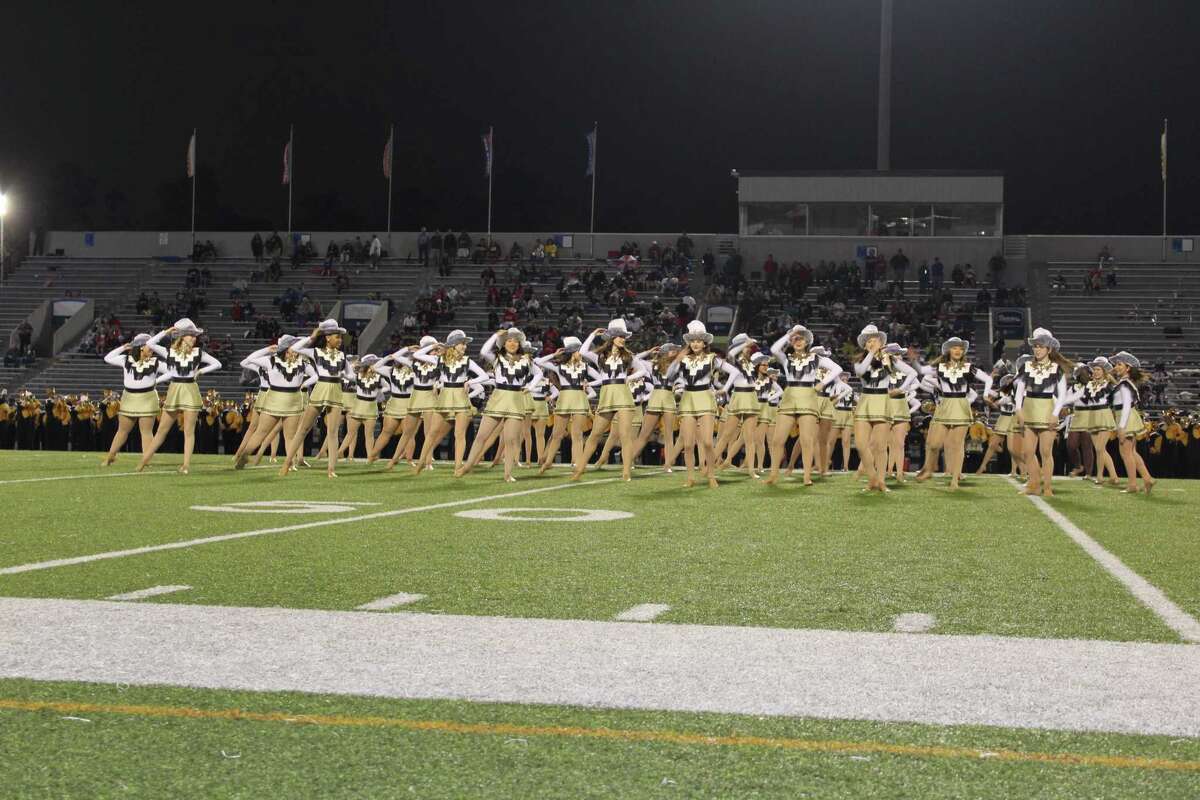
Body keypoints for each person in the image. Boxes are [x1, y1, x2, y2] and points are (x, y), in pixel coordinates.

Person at [457, 328, 544, 482]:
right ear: (503, 343)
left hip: (516, 399)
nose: (512, 343)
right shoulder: (497, 358)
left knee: (511, 440)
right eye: (509, 340)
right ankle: (467, 465)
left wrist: (530, 387)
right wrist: (495, 335)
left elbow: (539, 374)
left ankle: (507, 474)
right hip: (498, 398)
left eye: (515, 341)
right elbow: (484, 351)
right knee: (481, 436)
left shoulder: (527, 360)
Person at [136, 319, 222, 475]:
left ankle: (186, 465)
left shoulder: (198, 353)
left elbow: (217, 364)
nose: (194, 338)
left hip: (190, 390)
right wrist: (166, 332)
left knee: (189, 431)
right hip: (174, 389)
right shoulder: (170, 351)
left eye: (195, 336)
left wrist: (200, 372)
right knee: (162, 430)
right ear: (182, 337)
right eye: (190, 336)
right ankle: (143, 462)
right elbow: (151, 344)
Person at [271, 319, 352, 478]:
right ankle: (287, 463)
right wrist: (313, 336)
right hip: (321, 388)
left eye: (341, 337)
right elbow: (294, 348)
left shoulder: (342, 355)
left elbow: (351, 375)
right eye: (337, 336)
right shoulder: (316, 352)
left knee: (334, 432)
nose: (340, 340)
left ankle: (331, 469)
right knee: (303, 429)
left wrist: (344, 375)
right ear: (328, 337)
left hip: (336, 390)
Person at [765, 325, 843, 486]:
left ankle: (807, 476)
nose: (797, 341)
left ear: (807, 341)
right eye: (795, 338)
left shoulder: (816, 358)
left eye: (801, 338)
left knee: (807, 440)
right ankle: (773, 475)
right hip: (789, 396)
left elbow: (837, 368)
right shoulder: (787, 358)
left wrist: (822, 383)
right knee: (777, 440)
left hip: (808, 397)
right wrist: (788, 335)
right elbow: (774, 349)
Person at [570, 319, 645, 484]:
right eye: (619, 336)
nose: (622, 339)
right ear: (611, 337)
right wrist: (592, 335)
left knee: (625, 436)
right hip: (606, 394)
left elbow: (643, 371)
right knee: (595, 435)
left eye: (623, 336)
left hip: (623, 394)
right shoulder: (600, 355)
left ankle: (626, 472)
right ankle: (580, 469)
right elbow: (582, 352)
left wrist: (628, 378)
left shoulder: (628, 355)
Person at [914, 338, 993, 490]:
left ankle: (955, 480)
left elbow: (988, 379)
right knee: (934, 443)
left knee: (957, 445)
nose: (957, 351)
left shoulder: (969, 367)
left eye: (960, 348)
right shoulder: (939, 367)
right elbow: (922, 371)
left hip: (961, 405)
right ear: (948, 350)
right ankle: (929, 469)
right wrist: (915, 360)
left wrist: (985, 395)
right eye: (954, 348)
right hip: (944, 405)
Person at [410, 330, 490, 474]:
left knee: (459, 434)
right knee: (432, 432)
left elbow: (484, 375)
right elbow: (417, 355)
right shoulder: (439, 359)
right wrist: (434, 345)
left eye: (465, 344)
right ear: (453, 345)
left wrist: (470, 382)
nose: (464, 347)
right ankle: (421, 463)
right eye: (461, 344)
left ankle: (458, 466)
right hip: (445, 396)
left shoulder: (467, 361)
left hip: (460, 396)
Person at [1013, 328, 1072, 497]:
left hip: (1047, 409)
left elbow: (1061, 395)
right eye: (1035, 346)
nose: (1037, 349)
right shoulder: (1026, 367)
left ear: (1049, 349)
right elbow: (1019, 391)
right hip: (1029, 408)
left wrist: (1055, 414)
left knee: (1046, 452)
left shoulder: (1056, 369)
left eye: (1041, 346)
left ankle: (1047, 487)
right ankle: (1034, 483)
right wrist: (1019, 410)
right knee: (1027, 452)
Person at [100, 334, 169, 466]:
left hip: (147, 398)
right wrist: (123, 347)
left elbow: (172, 370)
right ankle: (110, 457)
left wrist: (157, 380)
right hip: (129, 397)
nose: (152, 349)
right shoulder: (126, 359)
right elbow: (107, 358)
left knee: (146, 432)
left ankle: (146, 461)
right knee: (122, 430)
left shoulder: (155, 362)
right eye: (150, 346)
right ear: (141, 347)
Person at [535, 337, 599, 473]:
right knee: (557, 434)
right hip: (565, 398)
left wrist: (589, 384)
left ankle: (577, 463)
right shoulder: (559, 366)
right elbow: (538, 361)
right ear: (570, 353)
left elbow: (600, 378)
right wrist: (554, 354)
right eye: (577, 351)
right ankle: (547, 462)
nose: (579, 354)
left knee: (577, 434)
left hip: (579, 398)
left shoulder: (585, 367)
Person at [1109, 351, 1156, 494]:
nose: (1116, 367)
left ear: (1128, 367)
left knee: (1126, 453)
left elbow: (1126, 406)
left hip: (1126, 417)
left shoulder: (1124, 384)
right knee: (1131, 452)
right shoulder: (1124, 382)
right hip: (1126, 417)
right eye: (1116, 364)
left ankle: (1133, 485)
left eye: (1119, 364)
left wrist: (1122, 427)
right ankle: (1147, 479)